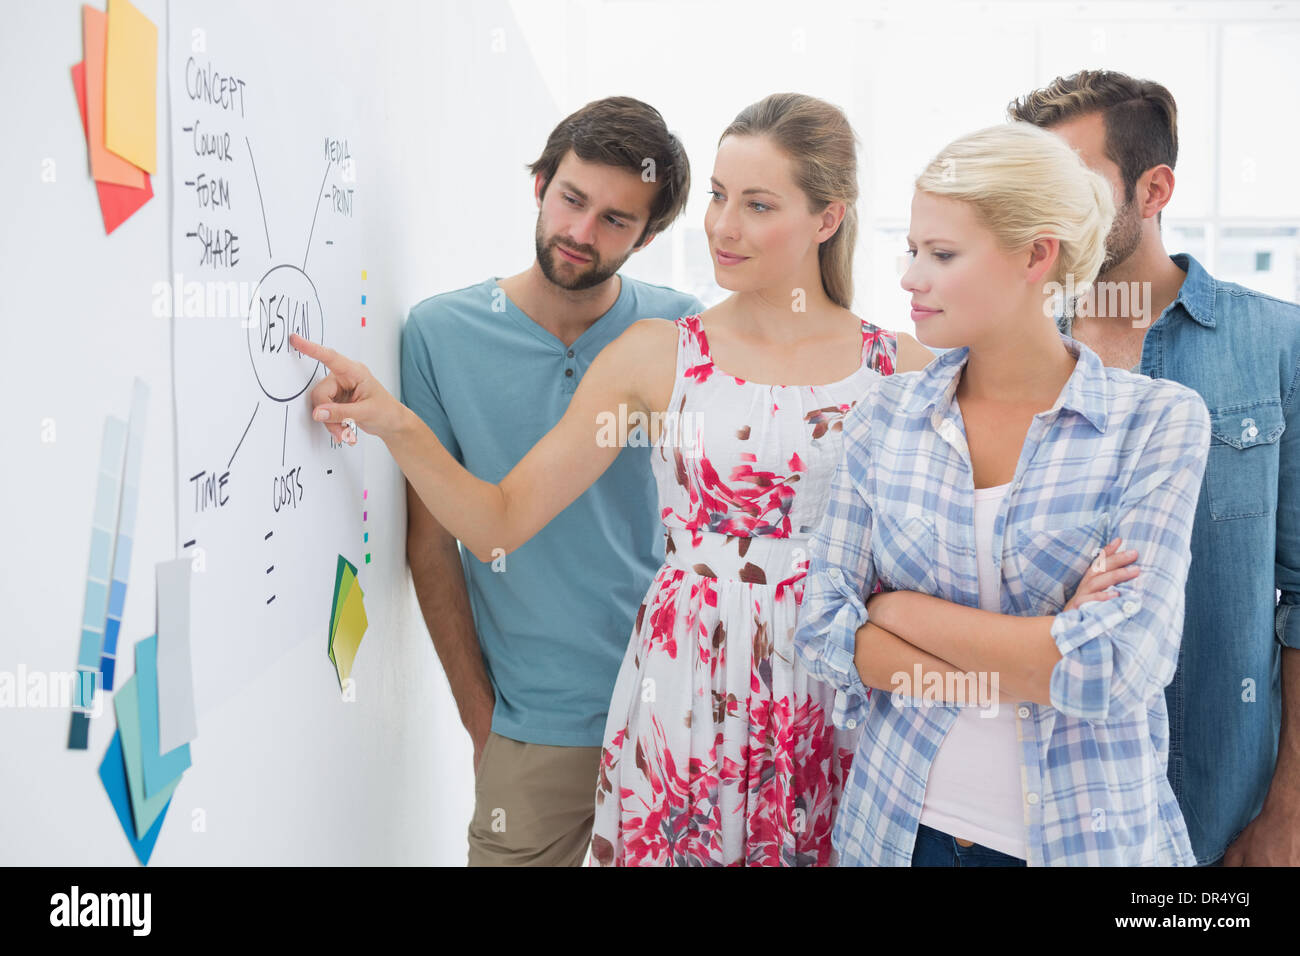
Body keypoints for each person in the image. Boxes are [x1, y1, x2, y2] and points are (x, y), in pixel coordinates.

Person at [292, 92, 933, 865]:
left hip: (837, 709)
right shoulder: (659, 351)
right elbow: (496, 520)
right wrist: (392, 420)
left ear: (827, 218)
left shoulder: (905, 370)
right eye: (721, 198)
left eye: (757, 205)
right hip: (675, 701)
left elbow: (941, 563)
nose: (724, 227)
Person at [795, 121, 1211, 866]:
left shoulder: (1155, 422)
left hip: (1081, 841)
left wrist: (898, 613)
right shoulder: (883, 418)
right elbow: (825, 627)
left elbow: (1116, 667)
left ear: (1036, 254)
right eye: (914, 248)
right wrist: (1035, 653)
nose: (910, 277)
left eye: (943, 254)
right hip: (898, 830)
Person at [399, 96, 702, 866]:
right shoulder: (441, 335)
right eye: (572, 199)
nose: (581, 233)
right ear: (540, 183)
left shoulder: (680, 328)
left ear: (650, 235)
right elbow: (430, 546)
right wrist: (480, 719)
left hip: (679, 715)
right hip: (533, 735)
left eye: (616, 220)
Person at [1010, 70, 1300, 867]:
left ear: (1153, 188)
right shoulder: (1001, 351)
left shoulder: (1280, 345)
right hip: (1041, 811)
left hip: (1221, 811)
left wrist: (1289, 814)